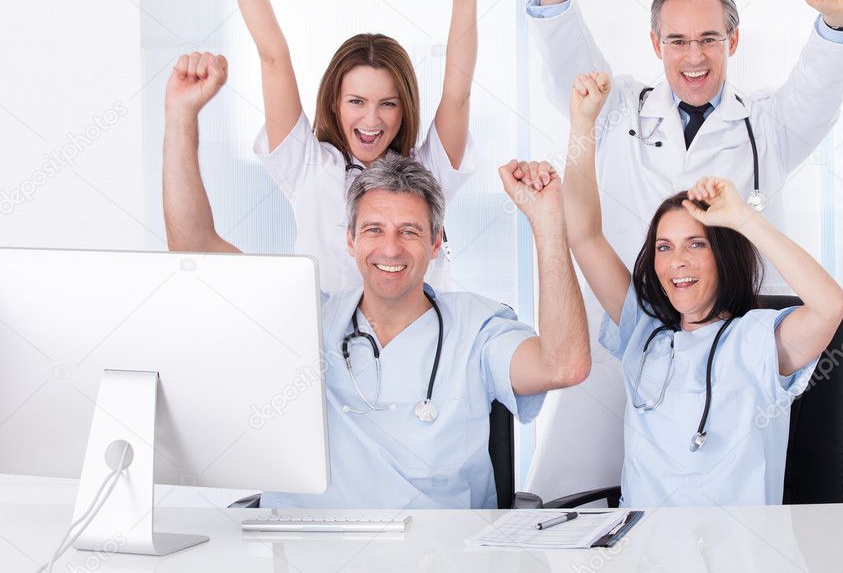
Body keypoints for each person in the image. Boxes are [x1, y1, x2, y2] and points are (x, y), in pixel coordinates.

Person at [162, 53, 590, 508]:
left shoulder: (477, 330)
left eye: (409, 231)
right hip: (307, 552)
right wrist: (180, 116)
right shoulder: (305, 316)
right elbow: (195, 246)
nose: (390, 249)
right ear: (349, 241)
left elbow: (563, 366)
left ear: (436, 242)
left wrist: (547, 224)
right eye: (373, 230)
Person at [521, 0, 843, 500]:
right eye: (677, 40)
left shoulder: (766, 125)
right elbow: (577, 88)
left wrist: (836, 23)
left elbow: (818, 94)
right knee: (583, 498)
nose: (694, 56)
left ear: (733, 39)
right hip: (632, 330)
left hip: (733, 341)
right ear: (655, 44)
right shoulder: (623, 108)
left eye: (709, 38)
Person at [537, 70, 843, 507]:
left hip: (734, 557)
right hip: (644, 554)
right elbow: (583, 234)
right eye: (664, 247)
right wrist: (582, 124)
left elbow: (830, 306)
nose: (676, 261)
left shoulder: (756, 340)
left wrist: (743, 218)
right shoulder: (644, 335)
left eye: (695, 244)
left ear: (723, 256)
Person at [170, 0, 482, 292]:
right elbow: (273, 56)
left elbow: (457, 91)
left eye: (388, 104)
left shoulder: (429, 172)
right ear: (334, 105)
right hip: (328, 344)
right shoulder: (308, 166)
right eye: (357, 102)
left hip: (420, 345)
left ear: (405, 110)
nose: (371, 120)